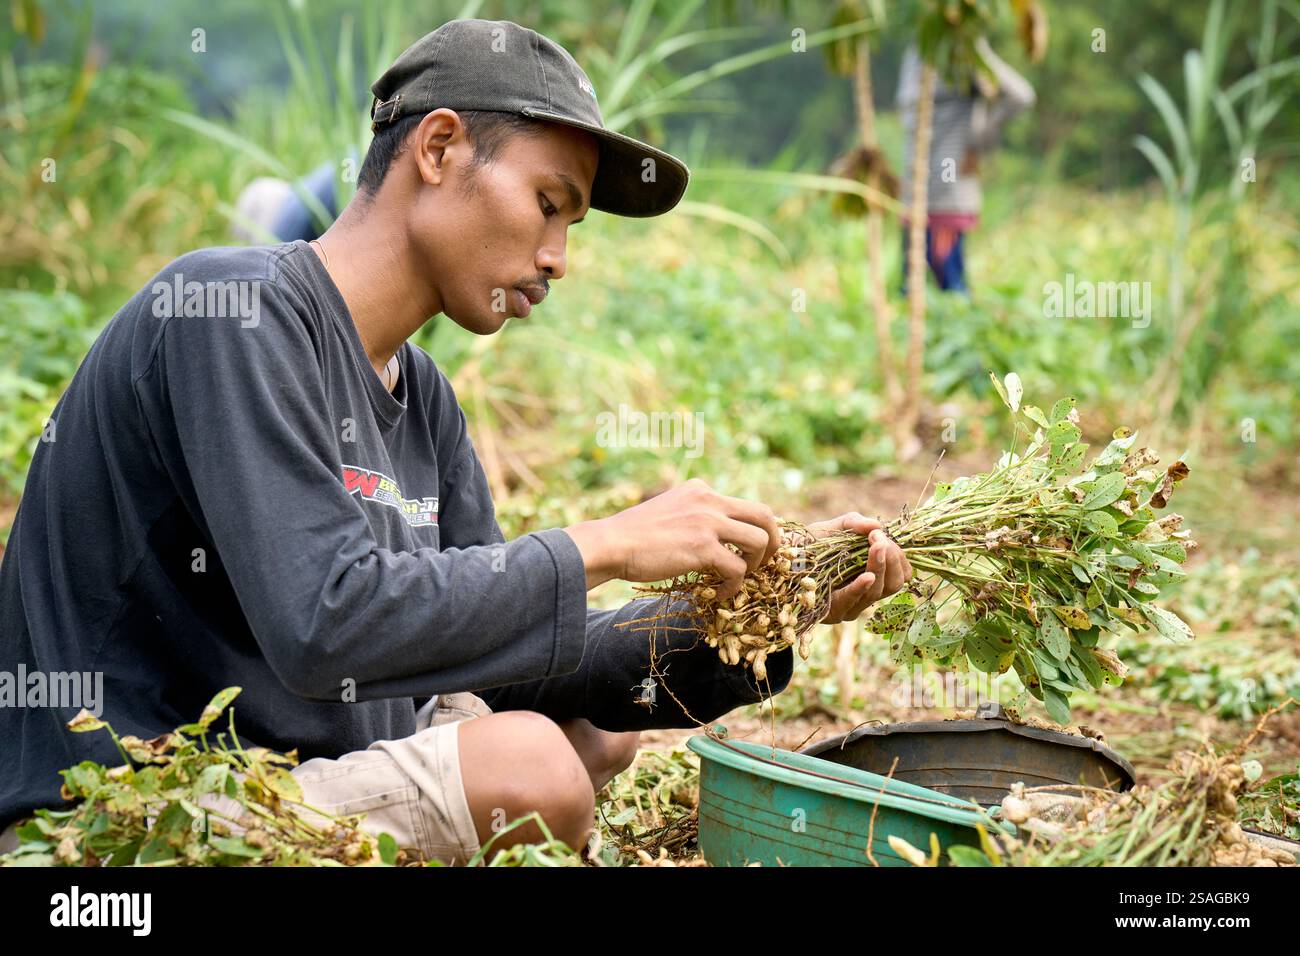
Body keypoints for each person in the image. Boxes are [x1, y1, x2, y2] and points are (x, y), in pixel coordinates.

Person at [0, 19, 912, 864]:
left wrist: (778, 603)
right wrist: (604, 546)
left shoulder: (425, 399)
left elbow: (520, 662)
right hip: (131, 815)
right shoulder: (230, 313)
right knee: (532, 770)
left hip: (298, 772)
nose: (559, 256)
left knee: (595, 734)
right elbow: (324, 624)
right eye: (548, 203)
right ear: (438, 149)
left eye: (571, 223)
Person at [897, 36, 1035, 293]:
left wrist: (979, 140)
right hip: (913, 192)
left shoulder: (964, 47)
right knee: (911, 290)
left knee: (950, 288)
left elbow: (1021, 95)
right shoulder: (918, 46)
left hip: (947, 196)